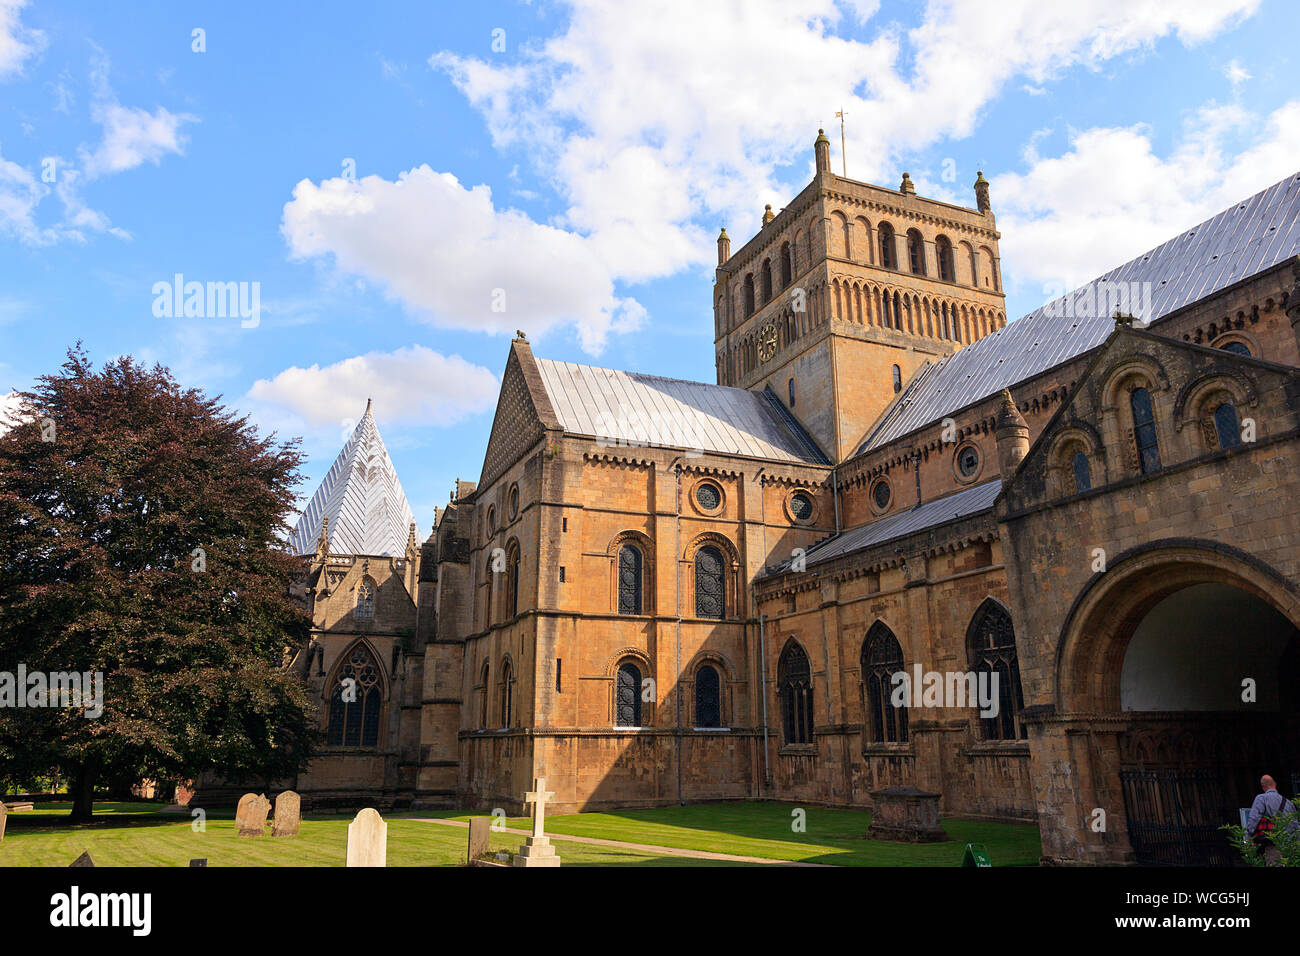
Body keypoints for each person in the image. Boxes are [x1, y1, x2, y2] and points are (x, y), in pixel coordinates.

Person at [1245, 775, 1294, 865]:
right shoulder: (1288, 802)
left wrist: (1248, 837)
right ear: (1275, 784)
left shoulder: (1261, 798)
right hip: (1290, 845)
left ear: (1262, 785)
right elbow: (1295, 824)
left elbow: (1254, 819)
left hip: (1273, 844)